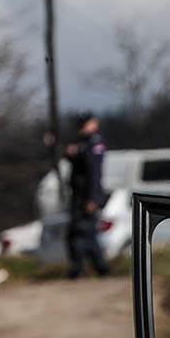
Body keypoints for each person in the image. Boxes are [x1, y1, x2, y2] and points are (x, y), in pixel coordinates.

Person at [64, 111, 109, 279]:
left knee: (83, 230)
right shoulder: (81, 142)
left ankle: (86, 267)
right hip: (79, 193)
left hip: (87, 193)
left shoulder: (94, 143)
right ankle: (96, 267)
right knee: (82, 231)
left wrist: (92, 198)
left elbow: (94, 173)